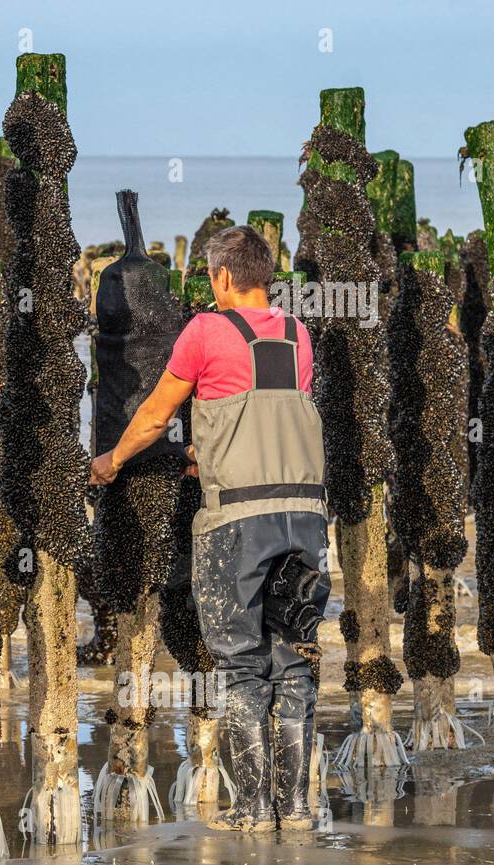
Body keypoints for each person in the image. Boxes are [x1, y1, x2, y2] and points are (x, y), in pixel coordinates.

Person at [90, 224, 329, 832]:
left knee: (242, 664)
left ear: (223, 276)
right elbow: (270, 414)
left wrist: (111, 460)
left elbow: (152, 415)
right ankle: (296, 809)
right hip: (303, 519)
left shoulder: (204, 330)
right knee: (294, 660)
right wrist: (212, 446)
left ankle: (251, 810)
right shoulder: (299, 335)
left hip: (238, 524)